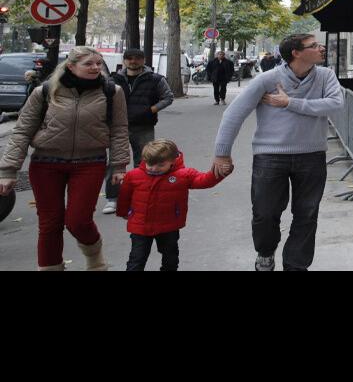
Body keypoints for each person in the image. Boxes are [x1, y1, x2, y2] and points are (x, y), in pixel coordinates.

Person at [211, 34, 343, 271]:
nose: (321, 48)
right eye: (314, 46)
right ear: (296, 53)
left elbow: (335, 104)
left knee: (306, 214)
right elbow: (234, 114)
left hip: (312, 155)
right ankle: (265, 251)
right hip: (270, 156)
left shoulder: (326, 76)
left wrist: (290, 103)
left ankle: (296, 265)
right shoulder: (268, 79)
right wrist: (222, 153)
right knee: (265, 212)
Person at [0, 47, 129, 271]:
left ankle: (95, 257)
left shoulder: (111, 91)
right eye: (88, 64)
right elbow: (22, 131)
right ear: (71, 66)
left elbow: (119, 130)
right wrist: (8, 171)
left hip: (90, 163)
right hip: (46, 164)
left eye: (98, 63)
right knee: (50, 224)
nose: (96, 68)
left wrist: (118, 166)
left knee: (78, 221)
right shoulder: (45, 91)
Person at [117, 139, 229, 271]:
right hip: (140, 225)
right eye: (150, 164)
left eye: (160, 165)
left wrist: (221, 172)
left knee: (170, 258)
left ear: (172, 161)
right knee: (136, 259)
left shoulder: (183, 175)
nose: (154, 168)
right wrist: (123, 212)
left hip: (169, 225)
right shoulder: (133, 175)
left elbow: (204, 180)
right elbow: (125, 196)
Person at [104, 48, 174, 215]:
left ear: (143, 60)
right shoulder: (113, 79)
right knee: (115, 162)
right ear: (124, 60)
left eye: (137, 58)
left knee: (144, 161)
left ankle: (140, 194)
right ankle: (112, 199)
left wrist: (151, 110)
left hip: (144, 126)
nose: (133, 61)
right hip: (118, 127)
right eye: (129, 58)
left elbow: (168, 97)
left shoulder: (155, 79)